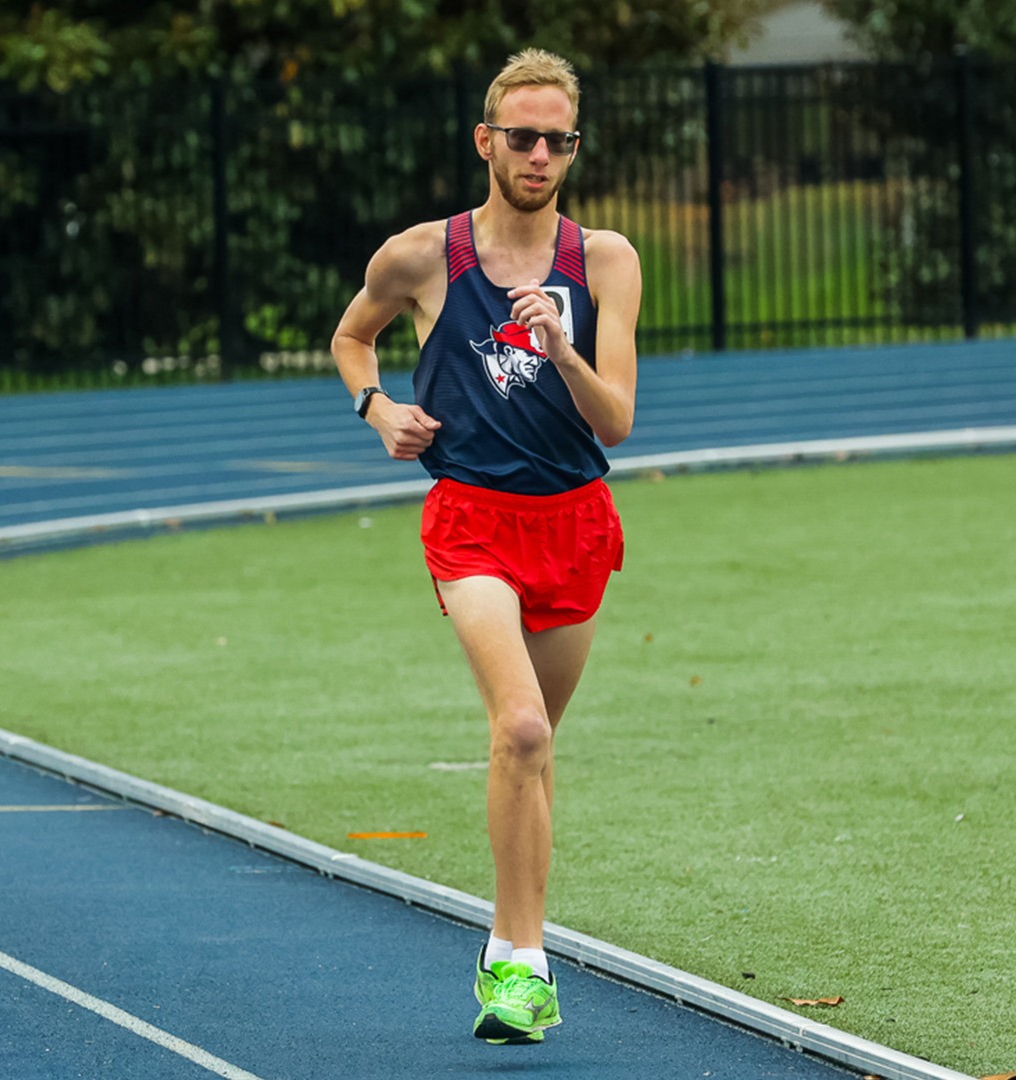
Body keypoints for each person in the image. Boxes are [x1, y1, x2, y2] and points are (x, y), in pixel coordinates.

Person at [329, 48, 642, 1046]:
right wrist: (378, 407)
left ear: (573, 150)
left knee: (532, 754)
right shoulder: (424, 255)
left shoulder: (606, 261)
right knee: (523, 731)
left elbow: (617, 419)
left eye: (558, 140)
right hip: (471, 518)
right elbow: (351, 337)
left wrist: (561, 349)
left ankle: (513, 944)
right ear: (486, 141)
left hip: (574, 521)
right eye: (523, 137)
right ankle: (522, 966)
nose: (540, 155)